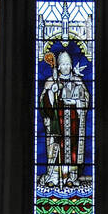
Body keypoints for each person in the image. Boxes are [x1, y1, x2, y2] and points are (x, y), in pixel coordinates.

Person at [38, 49, 89, 187]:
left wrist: (77, 103)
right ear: (59, 67)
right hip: (57, 122)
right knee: (56, 148)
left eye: (68, 64)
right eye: (63, 65)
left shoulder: (77, 81)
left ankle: (71, 177)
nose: (66, 67)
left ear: (71, 66)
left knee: (72, 149)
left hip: (73, 122)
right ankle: (54, 177)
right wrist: (52, 92)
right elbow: (43, 103)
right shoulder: (51, 81)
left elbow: (85, 100)